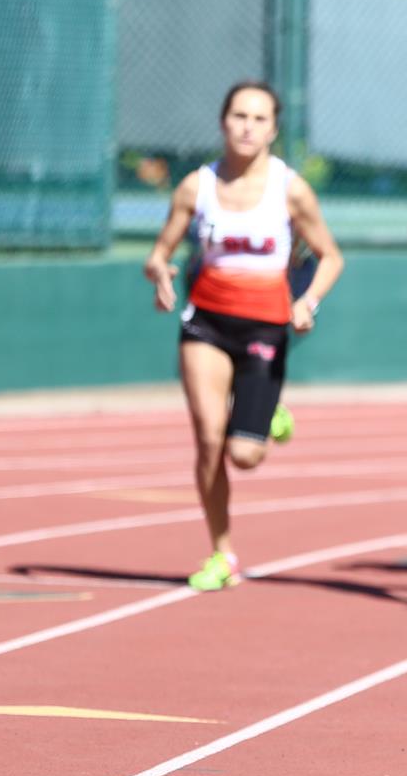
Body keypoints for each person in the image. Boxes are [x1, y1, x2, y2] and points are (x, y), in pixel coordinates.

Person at [143, 82, 343, 590]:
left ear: (274, 129)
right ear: (223, 121)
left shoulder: (290, 188)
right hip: (206, 322)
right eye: (238, 116)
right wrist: (162, 277)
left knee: (244, 455)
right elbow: (160, 252)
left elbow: (331, 256)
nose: (248, 127)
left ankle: (268, 413)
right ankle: (222, 553)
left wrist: (307, 301)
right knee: (209, 440)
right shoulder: (197, 186)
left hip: (265, 325)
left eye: (259, 119)